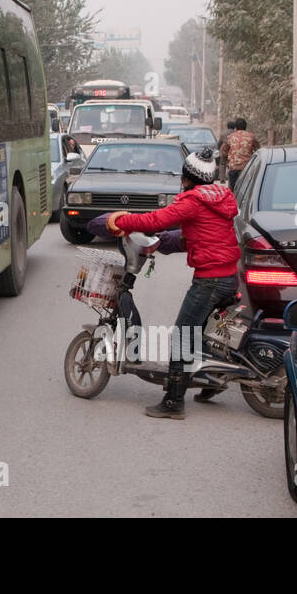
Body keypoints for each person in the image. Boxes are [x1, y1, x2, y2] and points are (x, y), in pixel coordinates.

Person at [92, 147, 241, 419]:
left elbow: (155, 219)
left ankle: (173, 402)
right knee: (206, 331)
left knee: (183, 335)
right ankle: (210, 383)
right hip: (229, 277)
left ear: (186, 178)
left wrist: (118, 221)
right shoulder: (221, 196)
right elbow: (200, 234)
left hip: (210, 280)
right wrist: (169, 241)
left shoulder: (193, 201)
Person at [221, 117, 260, 190]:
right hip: (246, 168)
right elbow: (258, 150)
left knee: (232, 191)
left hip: (233, 168)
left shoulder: (230, 137)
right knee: (246, 190)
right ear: (245, 127)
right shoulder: (251, 136)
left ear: (235, 128)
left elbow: (223, 150)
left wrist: (230, 157)